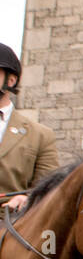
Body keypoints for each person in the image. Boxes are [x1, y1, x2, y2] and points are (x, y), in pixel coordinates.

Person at [0, 42, 59, 214]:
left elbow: (50, 189)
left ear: (11, 80)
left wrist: (29, 198)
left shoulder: (41, 136)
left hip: (9, 224)